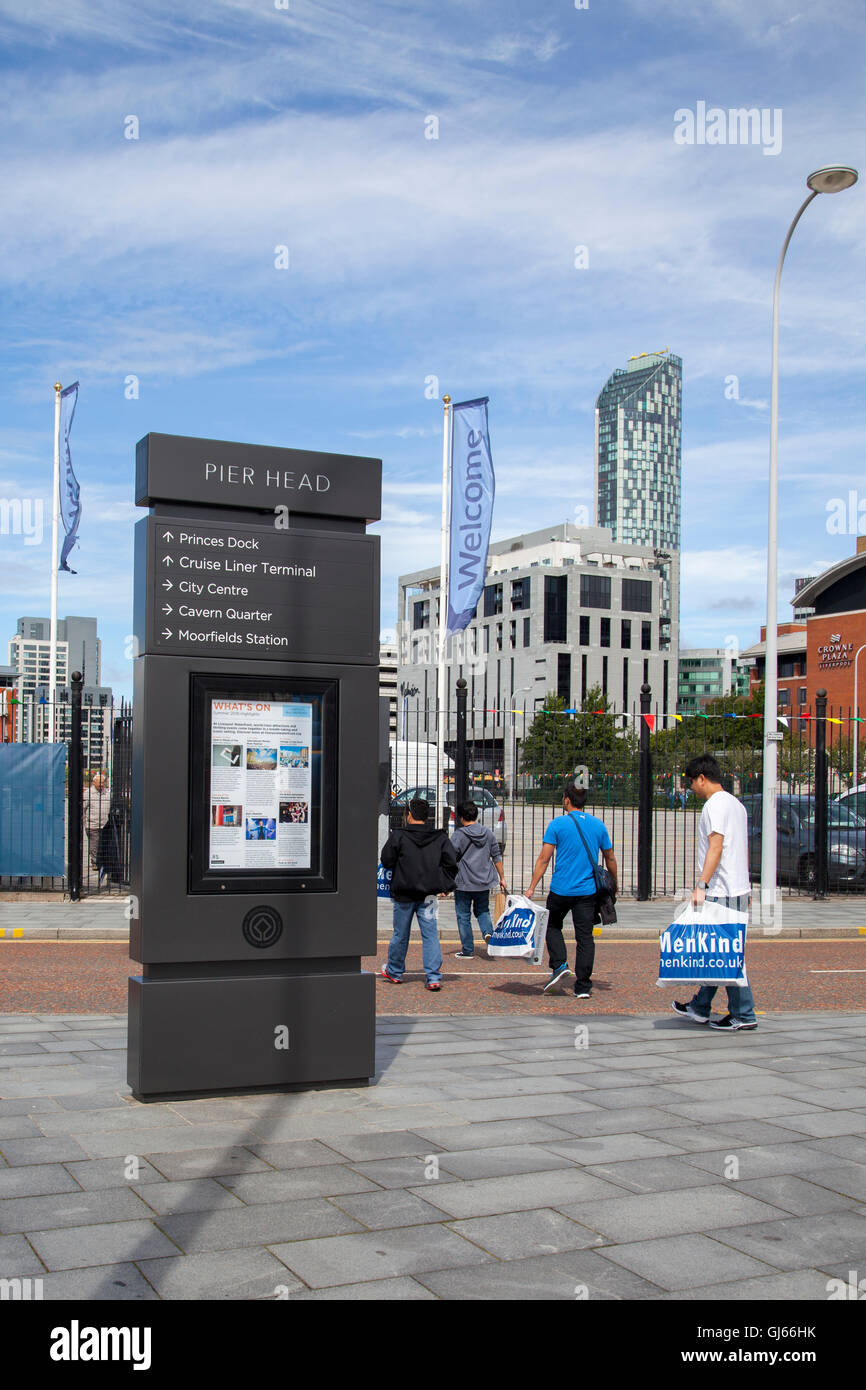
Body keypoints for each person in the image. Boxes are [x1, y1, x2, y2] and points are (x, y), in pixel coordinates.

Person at [671, 753, 757, 1032]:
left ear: (702, 778)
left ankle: (744, 1014)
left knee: (727, 954)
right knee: (718, 951)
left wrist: (701, 885)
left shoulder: (714, 806)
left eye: (691, 783)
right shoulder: (736, 804)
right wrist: (748, 886)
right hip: (737, 889)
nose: (690, 788)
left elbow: (716, 847)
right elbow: (739, 849)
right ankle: (700, 1006)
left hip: (722, 890)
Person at [525, 783, 618, 997]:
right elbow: (610, 857)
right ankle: (583, 986)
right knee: (585, 937)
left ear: (567, 799)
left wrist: (531, 887)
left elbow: (544, 859)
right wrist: (614, 881)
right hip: (586, 891)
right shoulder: (597, 825)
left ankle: (559, 964)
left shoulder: (557, 825)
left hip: (561, 889)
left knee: (552, 925)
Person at [379, 797, 458, 992]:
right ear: (427, 816)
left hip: (404, 892)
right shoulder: (440, 838)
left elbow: (386, 860)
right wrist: (445, 885)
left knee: (400, 934)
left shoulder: (399, 836)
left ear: (409, 815)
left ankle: (395, 971)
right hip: (429, 895)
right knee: (430, 934)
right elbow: (451, 863)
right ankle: (433, 976)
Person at [449, 800, 508, 959]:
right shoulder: (488, 833)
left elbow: (450, 858)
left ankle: (467, 949)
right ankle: (488, 933)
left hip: (464, 882)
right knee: (482, 911)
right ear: (476, 815)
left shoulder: (459, 835)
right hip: (483, 881)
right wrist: (502, 877)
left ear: (461, 817)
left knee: (463, 915)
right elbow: (496, 856)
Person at [83, 771, 110, 871]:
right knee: (94, 845)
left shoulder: (107, 793)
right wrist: (85, 823)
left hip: (105, 824)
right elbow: (83, 809)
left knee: (104, 844)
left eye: (103, 782)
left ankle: (103, 862)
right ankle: (95, 862)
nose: (101, 784)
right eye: (99, 783)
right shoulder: (88, 794)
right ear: (94, 783)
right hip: (92, 825)